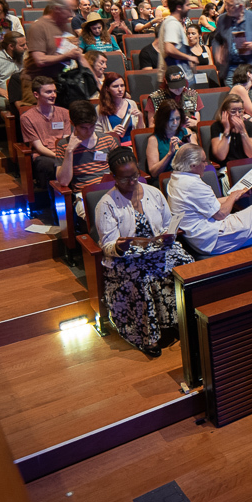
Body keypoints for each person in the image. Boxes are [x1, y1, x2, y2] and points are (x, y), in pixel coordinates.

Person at [95, 148, 194, 357]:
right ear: (114, 178)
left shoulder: (153, 193)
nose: (132, 182)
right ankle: (148, 336)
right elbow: (107, 245)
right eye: (125, 179)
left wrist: (169, 235)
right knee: (143, 278)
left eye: (134, 176)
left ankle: (187, 320)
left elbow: (168, 223)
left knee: (188, 263)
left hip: (157, 249)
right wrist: (119, 247)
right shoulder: (106, 204)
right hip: (127, 258)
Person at [165, 143, 252, 255]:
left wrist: (237, 195)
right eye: (203, 161)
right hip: (212, 238)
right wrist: (233, 197)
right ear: (193, 165)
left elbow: (211, 204)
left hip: (202, 237)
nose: (206, 164)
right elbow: (221, 214)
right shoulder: (192, 184)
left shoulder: (176, 179)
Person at [22, 0, 88, 100]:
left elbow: (71, 53)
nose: (71, 15)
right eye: (69, 10)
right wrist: (67, 55)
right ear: (57, 9)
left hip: (58, 81)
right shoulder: (39, 27)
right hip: (37, 85)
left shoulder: (65, 26)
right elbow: (40, 60)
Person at [19, 76, 68, 211]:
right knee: (51, 165)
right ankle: (57, 210)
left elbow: (66, 139)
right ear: (36, 94)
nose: (53, 95)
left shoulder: (64, 113)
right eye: (48, 92)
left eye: (54, 91)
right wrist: (59, 157)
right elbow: (39, 147)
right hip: (44, 154)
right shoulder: (27, 117)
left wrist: (65, 155)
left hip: (64, 152)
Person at [208, 93, 252, 169]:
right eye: (233, 111)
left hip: (246, 166)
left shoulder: (248, 125)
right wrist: (227, 131)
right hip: (227, 167)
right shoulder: (216, 127)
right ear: (224, 112)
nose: (238, 114)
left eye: (240, 111)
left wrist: (243, 132)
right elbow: (221, 156)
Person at [94, 71, 142, 147]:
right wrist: (112, 133)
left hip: (133, 146)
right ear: (107, 88)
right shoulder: (100, 109)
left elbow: (141, 132)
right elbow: (96, 135)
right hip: (113, 147)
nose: (120, 89)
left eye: (122, 85)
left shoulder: (132, 104)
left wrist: (140, 117)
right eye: (115, 86)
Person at [159, 0, 199, 77]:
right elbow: (169, 49)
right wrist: (189, 57)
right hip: (175, 79)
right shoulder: (172, 23)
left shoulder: (173, 23)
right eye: (187, 5)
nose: (190, 7)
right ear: (179, 7)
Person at [144, 100, 187, 177]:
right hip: (167, 178)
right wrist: (170, 154)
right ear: (162, 120)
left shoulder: (186, 132)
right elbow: (154, 172)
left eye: (178, 118)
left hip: (186, 175)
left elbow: (199, 160)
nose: (175, 123)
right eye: (171, 119)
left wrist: (189, 148)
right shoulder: (154, 140)